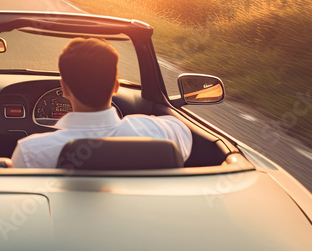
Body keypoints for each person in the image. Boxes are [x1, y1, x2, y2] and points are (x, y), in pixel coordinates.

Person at [11, 37, 192, 168]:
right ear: (116, 85)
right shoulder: (163, 132)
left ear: (64, 88)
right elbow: (183, 131)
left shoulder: (30, 152)